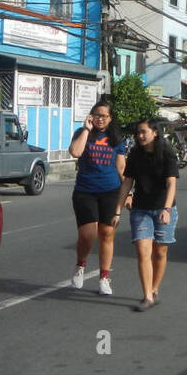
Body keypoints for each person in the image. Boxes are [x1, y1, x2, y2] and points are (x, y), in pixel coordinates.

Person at [114, 118, 178, 311]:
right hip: (140, 209)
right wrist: (117, 210)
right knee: (143, 251)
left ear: (154, 133)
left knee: (160, 252)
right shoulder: (135, 154)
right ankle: (147, 296)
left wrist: (166, 209)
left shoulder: (167, 153)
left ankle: (155, 288)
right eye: (138, 133)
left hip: (163, 208)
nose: (140, 136)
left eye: (144, 132)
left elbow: (171, 184)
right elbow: (127, 181)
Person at [68, 100, 127, 296]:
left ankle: (104, 278)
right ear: (91, 115)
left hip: (110, 191)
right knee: (87, 235)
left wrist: (128, 195)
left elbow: (121, 169)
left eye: (105, 116)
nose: (101, 119)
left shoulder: (117, 139)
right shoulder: (82, 133)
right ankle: (80, 266)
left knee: (106, 234)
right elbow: (75, 152)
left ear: (110, 118)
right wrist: (86, 129)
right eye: (97, 114)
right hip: (85, 191)